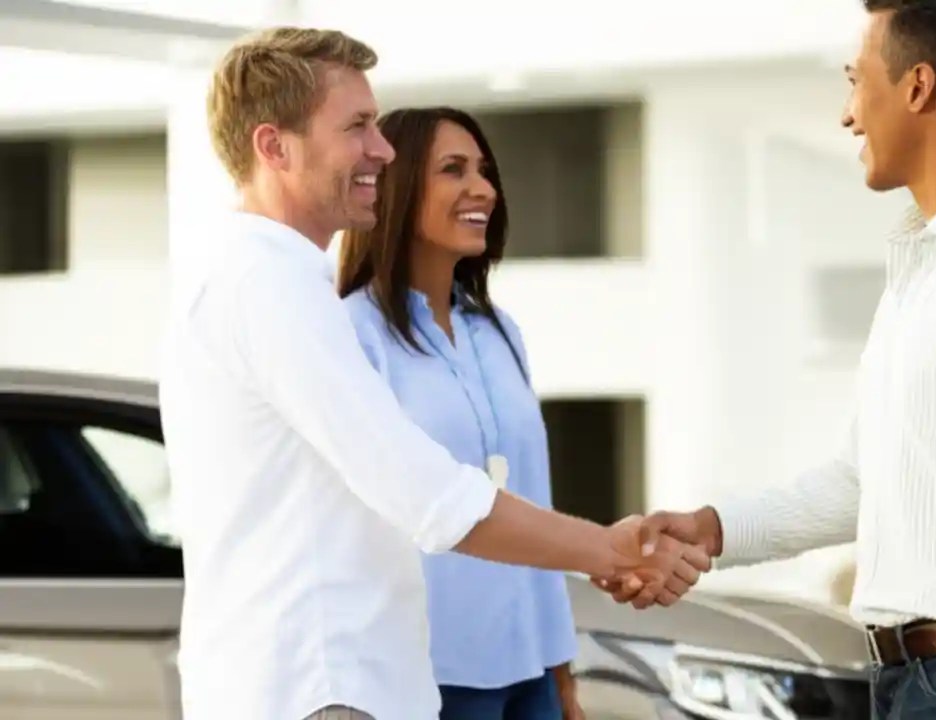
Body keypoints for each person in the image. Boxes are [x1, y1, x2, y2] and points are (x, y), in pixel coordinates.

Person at [159, 28, 706, 720]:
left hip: (350, 685)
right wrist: (608, 549)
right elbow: (425, 490)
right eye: (357, 127)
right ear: (275, 147)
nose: (381, 151)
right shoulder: (269, 287)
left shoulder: (278, 281)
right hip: (319, 689)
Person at [603, 1, 936, 719]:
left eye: (855, 81)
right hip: (922, 682)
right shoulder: (928, 264)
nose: (848, 114)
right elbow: (866, 480)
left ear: (917, 87)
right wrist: (713, 529)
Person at [335, 106, 643, 720]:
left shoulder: (500, 332)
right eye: (454, 170)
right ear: (397, 189)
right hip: (425, 676)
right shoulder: (352, 335)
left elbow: (533, 496)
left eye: (484, 170)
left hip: (528, 672)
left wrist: (561, 674)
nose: (484, 189)